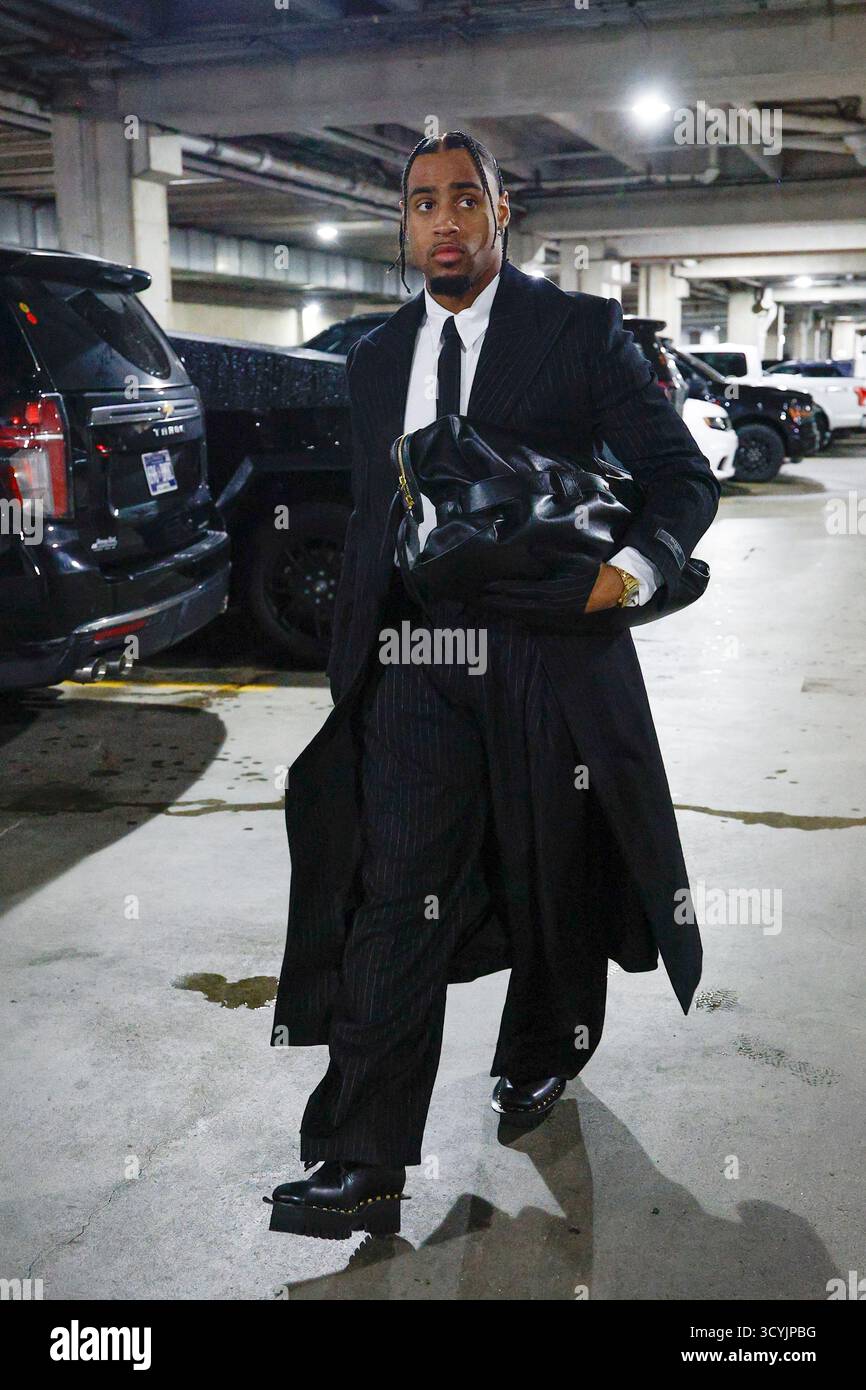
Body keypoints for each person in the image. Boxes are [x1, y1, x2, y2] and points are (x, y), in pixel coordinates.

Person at [265, 131, 720, 1242]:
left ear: (500, 212)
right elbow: (377, 511)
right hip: (415, 662)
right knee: (391, 896)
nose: (444, 222)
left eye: (464, 200)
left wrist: (634, 570)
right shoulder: (375, 359)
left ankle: (539, 1059)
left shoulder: (574, 333)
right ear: (403, 228)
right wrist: (353, 652)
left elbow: (677, 475)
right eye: (422, 205)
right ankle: (360, 1158)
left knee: (549, 885)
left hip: (544, 658)